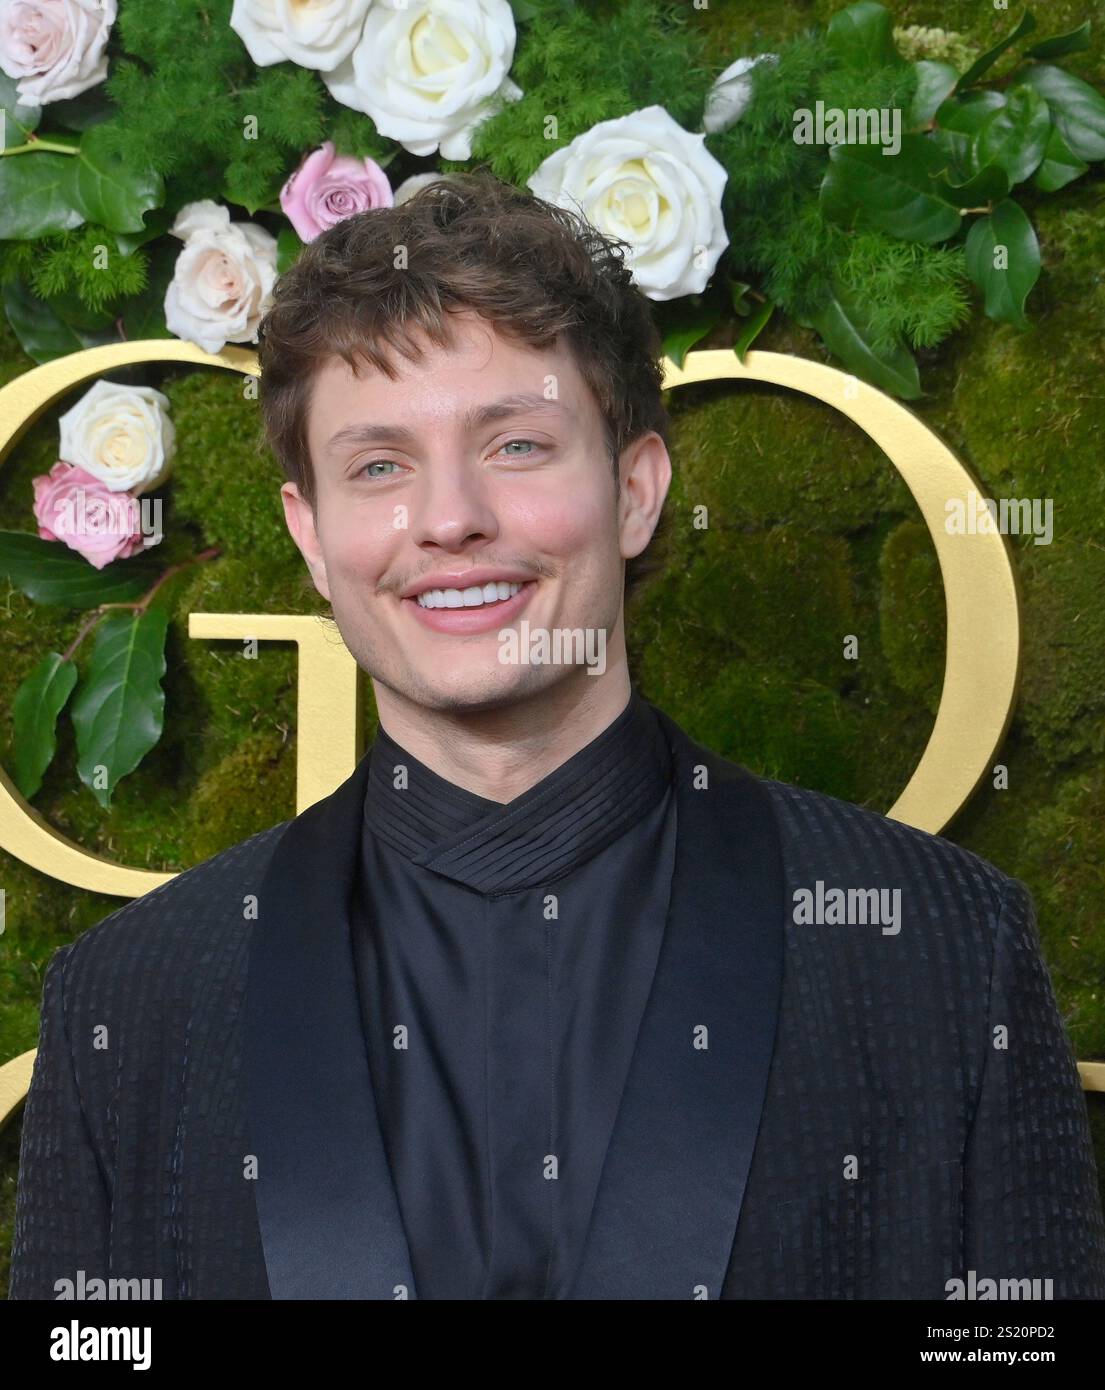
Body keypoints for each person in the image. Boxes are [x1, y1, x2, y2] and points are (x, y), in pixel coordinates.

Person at [9, 172, 1105, 1301]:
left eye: (516, 445)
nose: (448, 519)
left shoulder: (943, 950)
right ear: (312, 536)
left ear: (634, 489)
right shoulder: (127, 1003)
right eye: (378, 465)